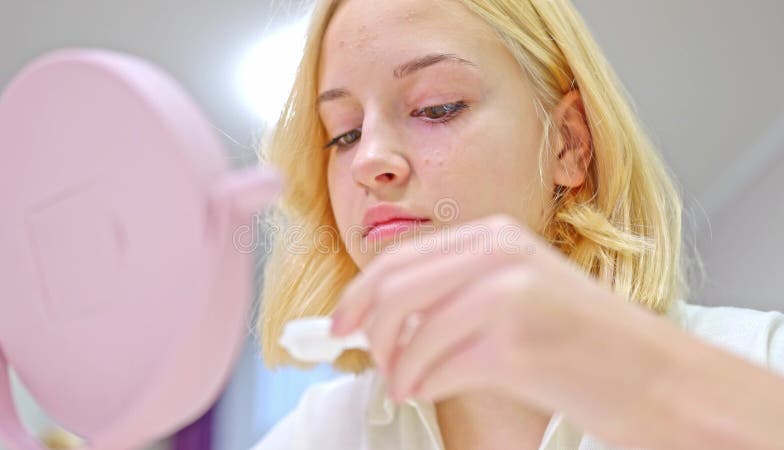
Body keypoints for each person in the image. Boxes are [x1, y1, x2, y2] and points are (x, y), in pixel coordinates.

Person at [249, 0, 784, 448]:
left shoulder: (759, 357)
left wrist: (644, 385)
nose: (368, 159)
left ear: (569, 143)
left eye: (437, 108)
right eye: (344, 134)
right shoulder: (319, 435)